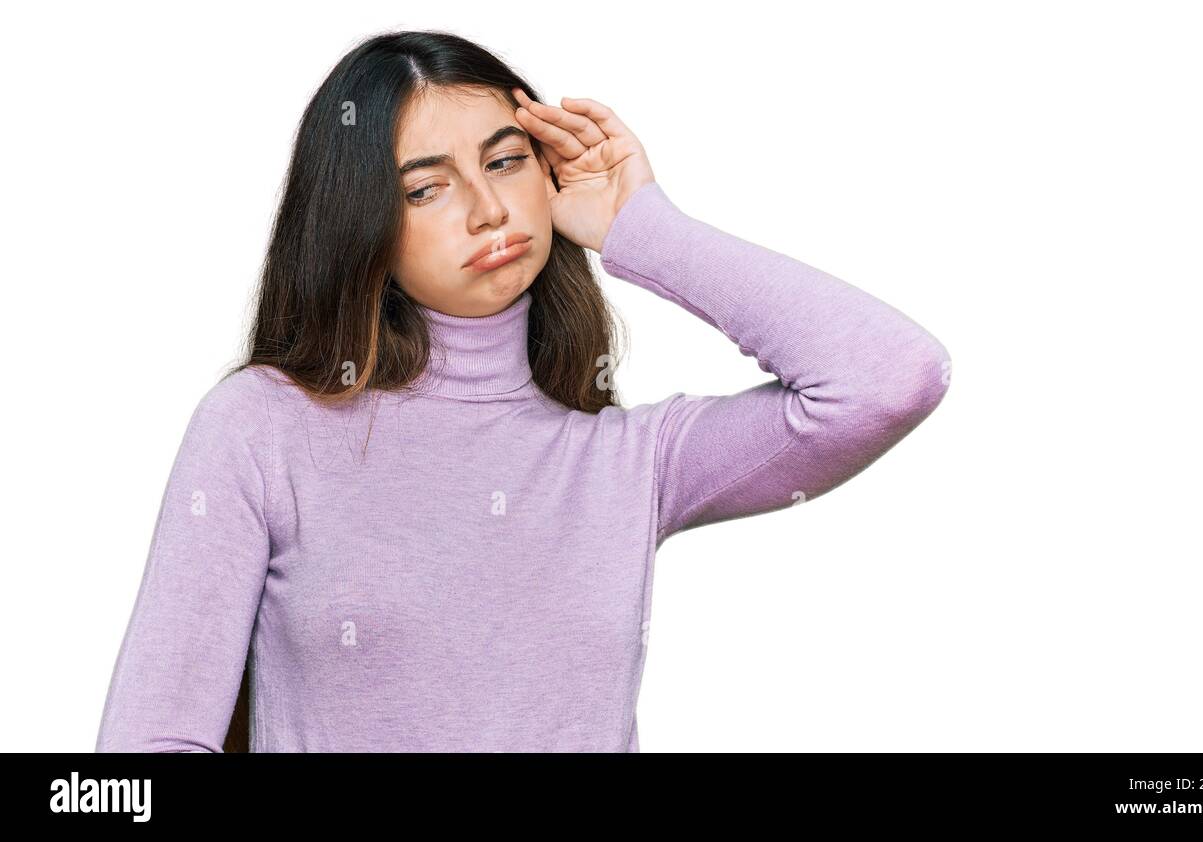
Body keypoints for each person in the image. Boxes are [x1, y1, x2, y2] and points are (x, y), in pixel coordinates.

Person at [94, 30, 952, 753]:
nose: (486, 209)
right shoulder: (263, 428)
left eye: (507, 163)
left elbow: (888, 378)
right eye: (426, 187)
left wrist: (641, 227)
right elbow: (148, 750)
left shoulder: (627, 462)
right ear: (360, 222)